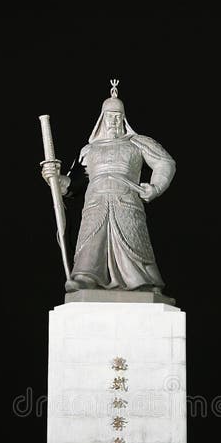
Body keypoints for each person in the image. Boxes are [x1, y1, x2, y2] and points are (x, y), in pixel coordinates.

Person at [41, 80, 176, 294]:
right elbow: (74, 184)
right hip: (95, 202)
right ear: (101, 119)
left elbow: (164, 162)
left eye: (118, 116)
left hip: (127, 201)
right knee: (91, 241)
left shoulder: (137, 143)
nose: (113, 121)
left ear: (123, 118)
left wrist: (156, 187)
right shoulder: (89, 150)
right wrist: (55, 178)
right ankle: (85, 277)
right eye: (109, 116)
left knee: (133, 243)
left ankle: (143, 283)